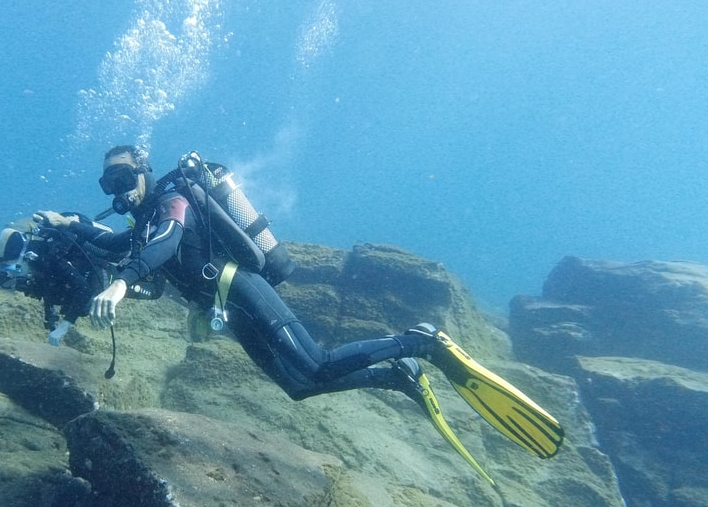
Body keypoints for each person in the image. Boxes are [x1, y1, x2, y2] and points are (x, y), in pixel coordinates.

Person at [34, 145, 564, 472]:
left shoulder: (172, 199)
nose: (118, 191)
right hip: (229, 309)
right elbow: (109, 246)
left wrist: (123, 284)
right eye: (109, 185)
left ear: (144, 173)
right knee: (300, 385)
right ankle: (398, 374)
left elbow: (167, 244)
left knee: (317, 363)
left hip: (241, 287)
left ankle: (423, 341)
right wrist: (69, 225)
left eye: (124, 179)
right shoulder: (141, 219)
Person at [0, 217, 125, 346]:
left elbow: (83, 291)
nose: (12, 273)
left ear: (26, 256)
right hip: (66, 277)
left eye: (14, 268)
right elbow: (8, 271)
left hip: (99, 273)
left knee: (85, 305)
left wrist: (63, 327)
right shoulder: (33, 255)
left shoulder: (53, 259)